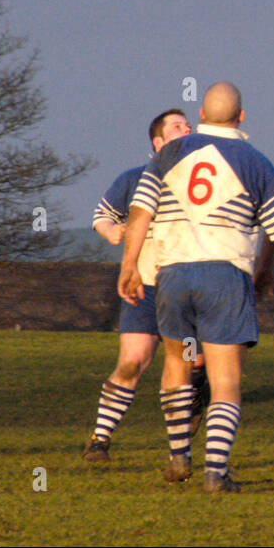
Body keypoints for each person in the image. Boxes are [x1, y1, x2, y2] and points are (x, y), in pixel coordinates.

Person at [118, 83, 274, 493]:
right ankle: (215, 472)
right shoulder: (254, 161)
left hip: (173, 277)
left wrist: (130, 264)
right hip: (224, 277)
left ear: (201, 112)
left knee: (179, 362)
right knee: (225, 382)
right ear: (241, 117)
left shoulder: (169, 152)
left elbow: (139, 211)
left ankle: (179, 455)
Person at [82, 108, 209, 462]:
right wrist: (114, 232)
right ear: (158, 141)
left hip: (186, 288)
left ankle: (188, 426)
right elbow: (101, 217)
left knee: (190, 362)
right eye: (177, 126)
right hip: (145, 287)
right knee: (134, 360)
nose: (187, 129)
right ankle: (99, 440)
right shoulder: (134, 178)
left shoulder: (203, 177)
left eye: (188, 124)